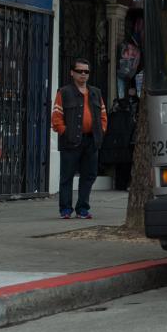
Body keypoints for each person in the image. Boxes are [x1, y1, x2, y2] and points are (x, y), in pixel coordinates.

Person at [52, 58, 108, 219]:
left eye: (86, 71)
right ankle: (65, 210)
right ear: (72, 73)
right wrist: (65, 132)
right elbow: (56, 117)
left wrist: (101, 131)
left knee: (89, 175)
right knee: (67, 176)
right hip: (71, 141)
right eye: (80, 71)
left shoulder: (96, 92)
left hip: (91, 141)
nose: (83, 74)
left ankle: (82, 208)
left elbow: (103, 115)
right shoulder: (64, 92)